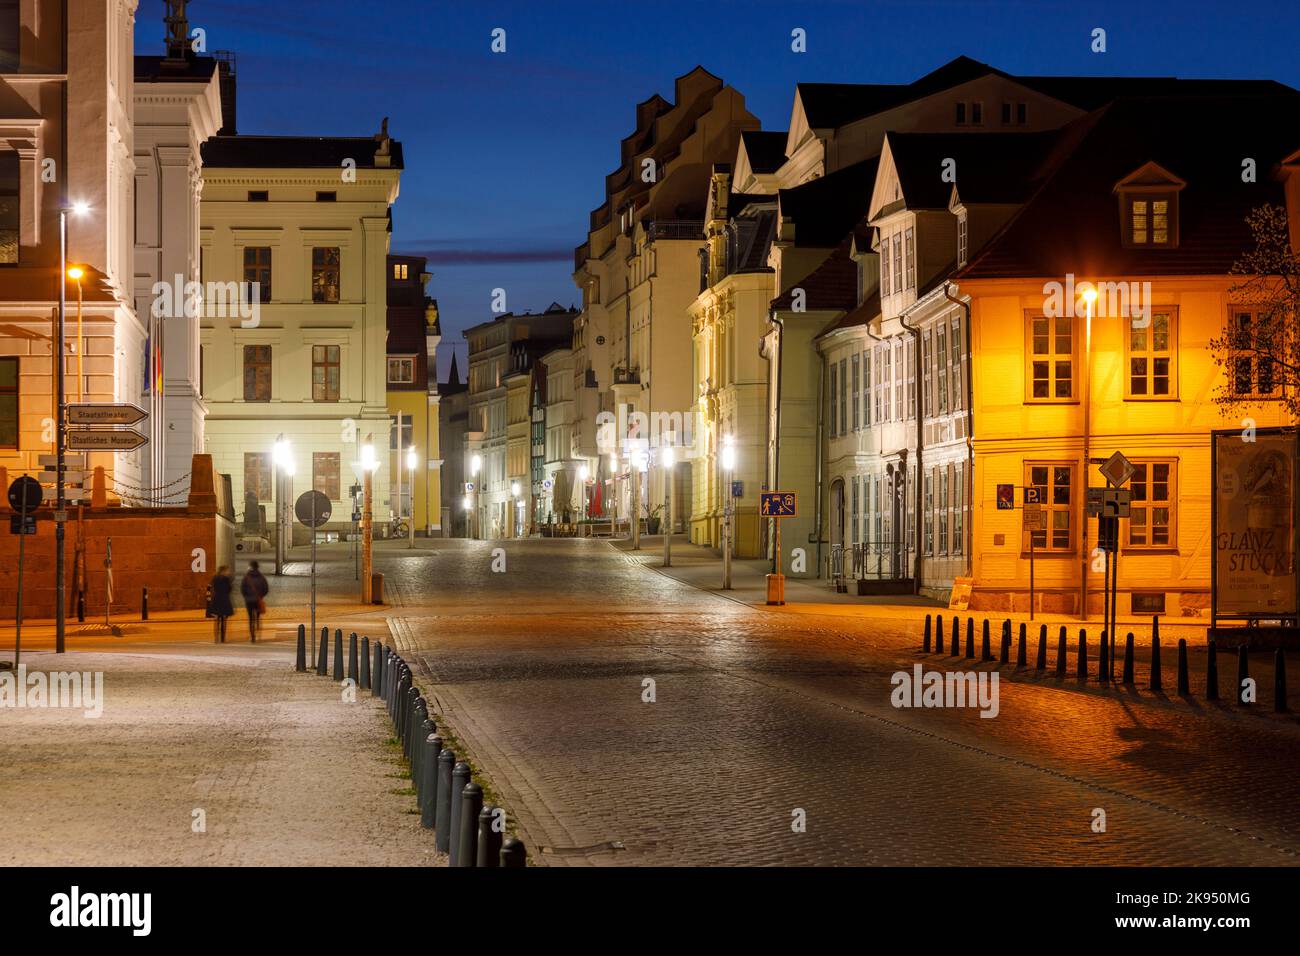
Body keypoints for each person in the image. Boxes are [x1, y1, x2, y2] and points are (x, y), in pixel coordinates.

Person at [240, 561, 269, 642]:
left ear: (250, 567)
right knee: (257, 614)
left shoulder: (246, 577)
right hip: (257, 600)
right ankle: (257, 621)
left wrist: (246, 596)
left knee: (250, 618)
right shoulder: (261, 577)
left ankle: (252, 635)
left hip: (249, 600)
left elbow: (242, 589)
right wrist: (261, 596)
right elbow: (266, 589)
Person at [210, 566, 235, 643]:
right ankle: (223, 638)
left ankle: (216, 637)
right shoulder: (226, 579)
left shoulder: (215, 578)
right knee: (224, 619)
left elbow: (213, 588)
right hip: (224, 600)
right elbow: (229, 589)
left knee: (216, 620)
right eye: (227, 571)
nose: (228, 572)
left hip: (217, 599)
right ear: (223, 571)